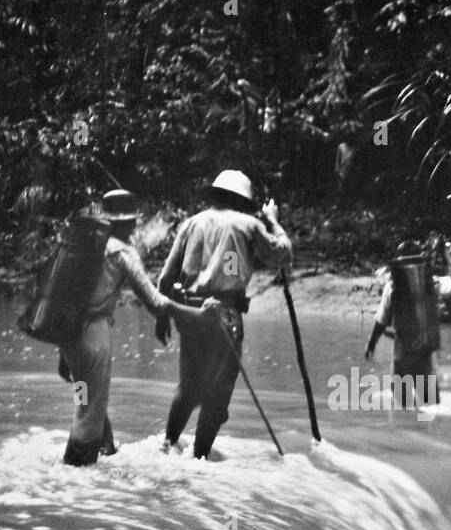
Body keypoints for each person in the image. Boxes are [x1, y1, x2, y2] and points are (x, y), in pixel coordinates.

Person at [58, 189, 202, 466]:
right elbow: (155, 302)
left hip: (67, 334)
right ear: (130, 222)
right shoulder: (123, 252)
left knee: (85, 396)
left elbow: (67, 293)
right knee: (90, 410)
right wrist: (198, 315)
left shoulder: (85, 244)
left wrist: (62, 351)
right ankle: (77, 467)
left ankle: (107, 447)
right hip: (93, 337)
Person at [156, 170, 292, 458]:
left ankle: (168, 444)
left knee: (189, 385)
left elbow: (165, 278)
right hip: (225, 314)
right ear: (243, 200)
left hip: (190, 313)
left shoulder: (191, 223)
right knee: (218, 393)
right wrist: (273, 221)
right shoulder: (248, 224)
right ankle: (201, 457)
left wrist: (162, 316)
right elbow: (281, 254)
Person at [365, 262, 440, 410]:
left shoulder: (392, 287)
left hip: (402, 350)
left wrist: (371, 344)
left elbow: (381, 320)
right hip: (425, 349)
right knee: (429, 404)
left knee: (400, 403)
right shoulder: (430, 283)